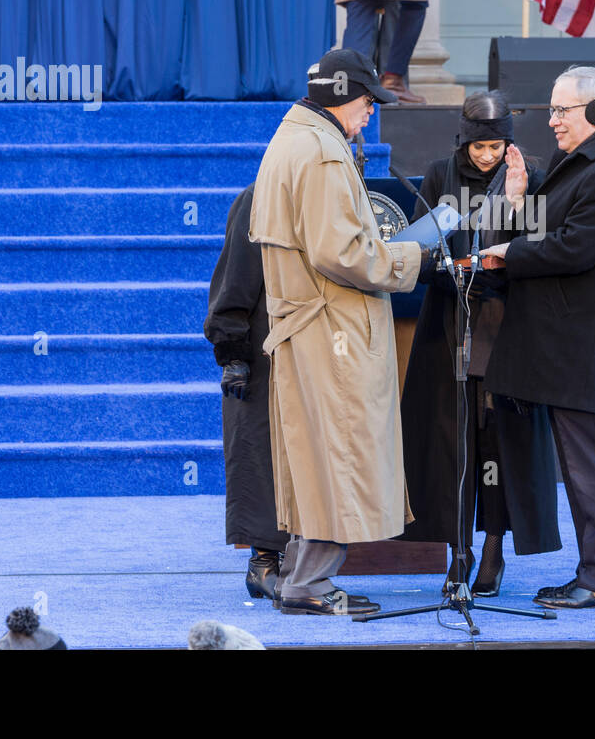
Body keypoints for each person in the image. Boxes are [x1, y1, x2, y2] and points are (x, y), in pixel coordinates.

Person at [248, 48, 425, 616]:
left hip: (307, 325)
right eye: (368, 100)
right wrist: (411, 256)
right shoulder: (323, 152)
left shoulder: (292, 138)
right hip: (333, 329)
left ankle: (304, 574)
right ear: (342, 95)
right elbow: (342, 252)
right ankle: (311, 583)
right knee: (339, 450)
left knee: (315, 452)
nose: (371, 112)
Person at [479, 66, 595, 609]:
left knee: (591, 466)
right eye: (552, 110)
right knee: (582, 467)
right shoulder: (587, 162)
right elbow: (548, 231)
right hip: (567, 342)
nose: (552, 121)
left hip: (587, 345)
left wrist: (507, 253)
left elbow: (573, 247)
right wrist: (514, 200)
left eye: (562, 110)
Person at [400, 92, 560, 596]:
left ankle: (493, 546)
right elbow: (417, 249)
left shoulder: (529, 173)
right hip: (450, 326)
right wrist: (451, 271)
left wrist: (515, 205)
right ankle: (457, 551)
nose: (488, 156)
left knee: (500, 444)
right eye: (479, 147)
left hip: (507, 327)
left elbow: (544, 246)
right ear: (463, 141)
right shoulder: (438, 174)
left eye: (496, 146)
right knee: (451, 444)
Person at [204, 182, 290, 603]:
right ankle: (263, 562)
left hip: (312, 341)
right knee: (259, 444)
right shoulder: (261, 196)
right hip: (263, 339)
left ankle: (303, 558)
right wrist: (232, 349)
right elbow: (236, 274)